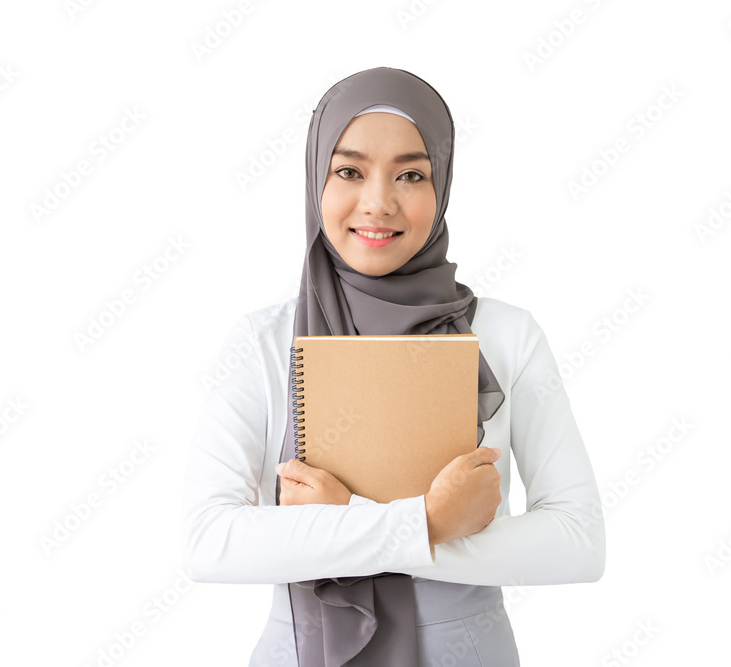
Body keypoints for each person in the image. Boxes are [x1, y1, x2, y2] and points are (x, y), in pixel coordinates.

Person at [182, 66, 605, 667]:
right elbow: (208, 544)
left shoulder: (507, 335)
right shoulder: (266, 341)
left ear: (444, 185)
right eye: (349, 171)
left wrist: (347, 526)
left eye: (411, 174)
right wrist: (430, 523)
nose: (378, 202)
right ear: (314, 182)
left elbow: (579, 543)